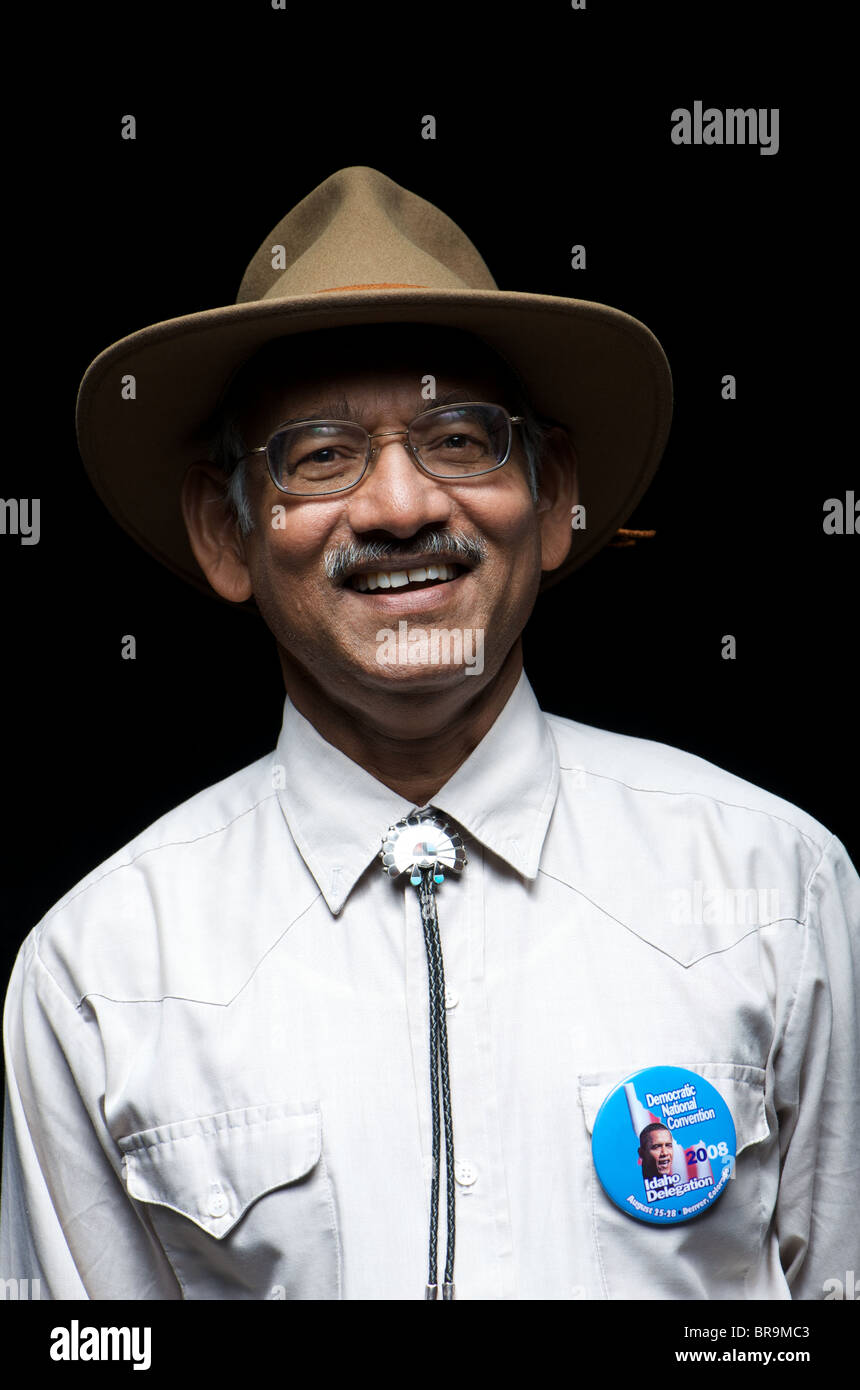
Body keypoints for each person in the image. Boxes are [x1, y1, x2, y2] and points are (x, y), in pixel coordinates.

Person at [1, 167, 857, 1301]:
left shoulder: (773, 883)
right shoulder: (99, 971)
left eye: (460, 439)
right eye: (318, 454)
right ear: (226, 530)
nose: (400, 506)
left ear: (552, 501)